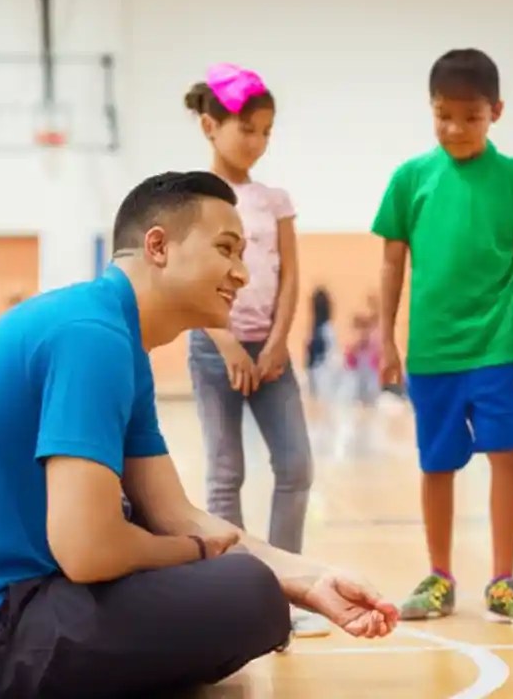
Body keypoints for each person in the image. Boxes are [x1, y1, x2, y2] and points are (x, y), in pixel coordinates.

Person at [0, 171, 398, 699]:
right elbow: (89, 549)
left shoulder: (113, 338)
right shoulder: (92, 336)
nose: (243, 273)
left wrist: (311, 577)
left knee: (236, 579)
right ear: (157, 246)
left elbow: (176, 513)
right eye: (226, 248)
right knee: (245, 594)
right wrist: (194, 554)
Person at [373, 48, 513, 627]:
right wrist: (386, 339)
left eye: (470, 117)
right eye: (443, 115)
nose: (455, 129)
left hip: (500, 347)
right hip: (433, 350)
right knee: (437, 463)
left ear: (495, 111)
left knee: (508, 455)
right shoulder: (410, 179)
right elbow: (391, 265)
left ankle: (502, 579)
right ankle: (440, 576)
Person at [181, 64, 328, 638]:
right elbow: (191, 280)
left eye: (267, 131)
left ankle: (286, 589)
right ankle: (236, 594)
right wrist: (226, 346)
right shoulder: (194, 196)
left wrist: (276, 343)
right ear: (210, 126)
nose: (258, 143)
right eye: (248, 130)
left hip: (272, 353)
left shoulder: (275, 199)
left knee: (295, 467)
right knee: (224, 474)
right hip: (214, 350)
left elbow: (291, 276)